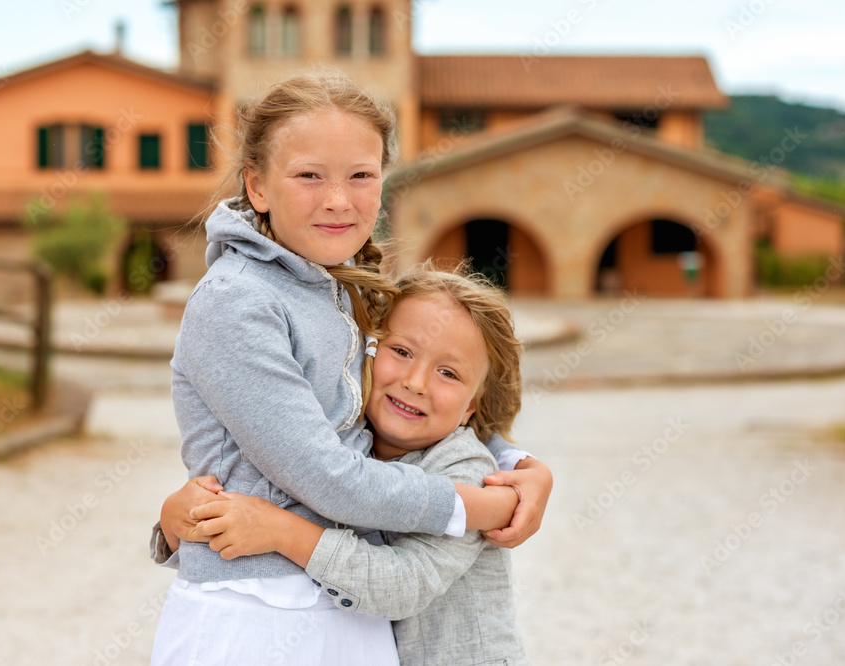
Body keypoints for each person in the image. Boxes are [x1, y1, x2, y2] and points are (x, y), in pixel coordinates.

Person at [149, 70, 551, 665]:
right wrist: (477, 505)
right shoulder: (238, 300)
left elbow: (397, 407)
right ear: (257, 187)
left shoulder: (340, 291)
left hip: (341, 607)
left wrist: (517, 465)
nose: (339, 199)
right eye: (309, 175)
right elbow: (327, 478)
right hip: (260, 609)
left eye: (361, 175)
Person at [188, 267, 532, 666]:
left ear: (470, 406)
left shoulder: (467, 469)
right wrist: (182, 519)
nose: (416, 382)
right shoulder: (345, 441)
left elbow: (403, 584)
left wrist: (281, 532)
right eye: (401, 352)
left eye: (448, 373)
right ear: (362, 352)